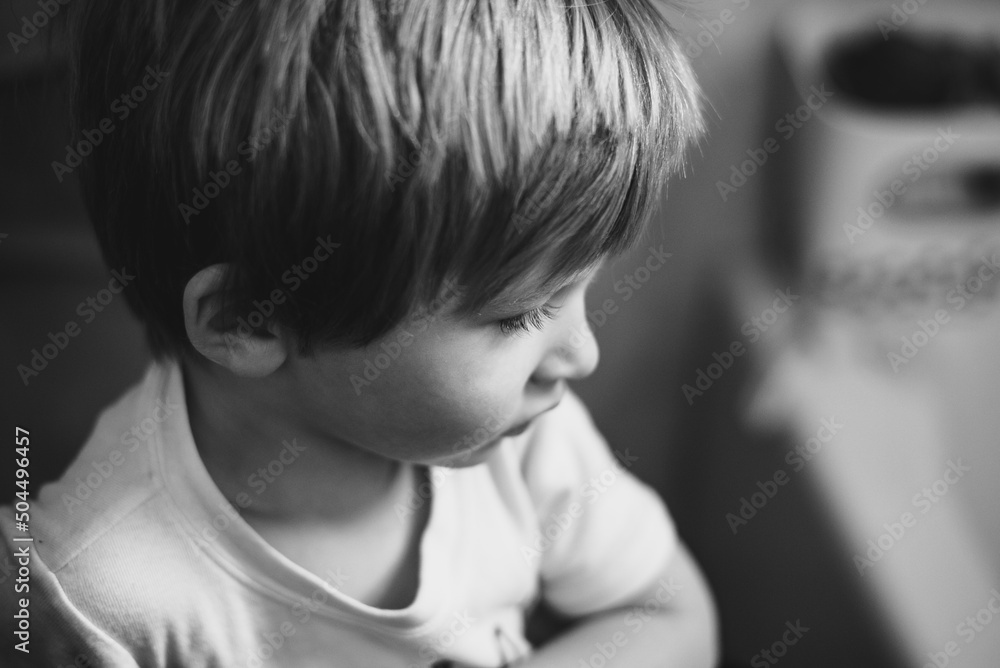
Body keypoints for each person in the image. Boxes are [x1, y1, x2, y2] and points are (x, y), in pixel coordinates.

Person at [1, 0, 716, 665]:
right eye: (521, 314)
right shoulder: (100, 592)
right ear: (246, 320)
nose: (580, 355)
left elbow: (670, 614)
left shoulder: (523, 442)